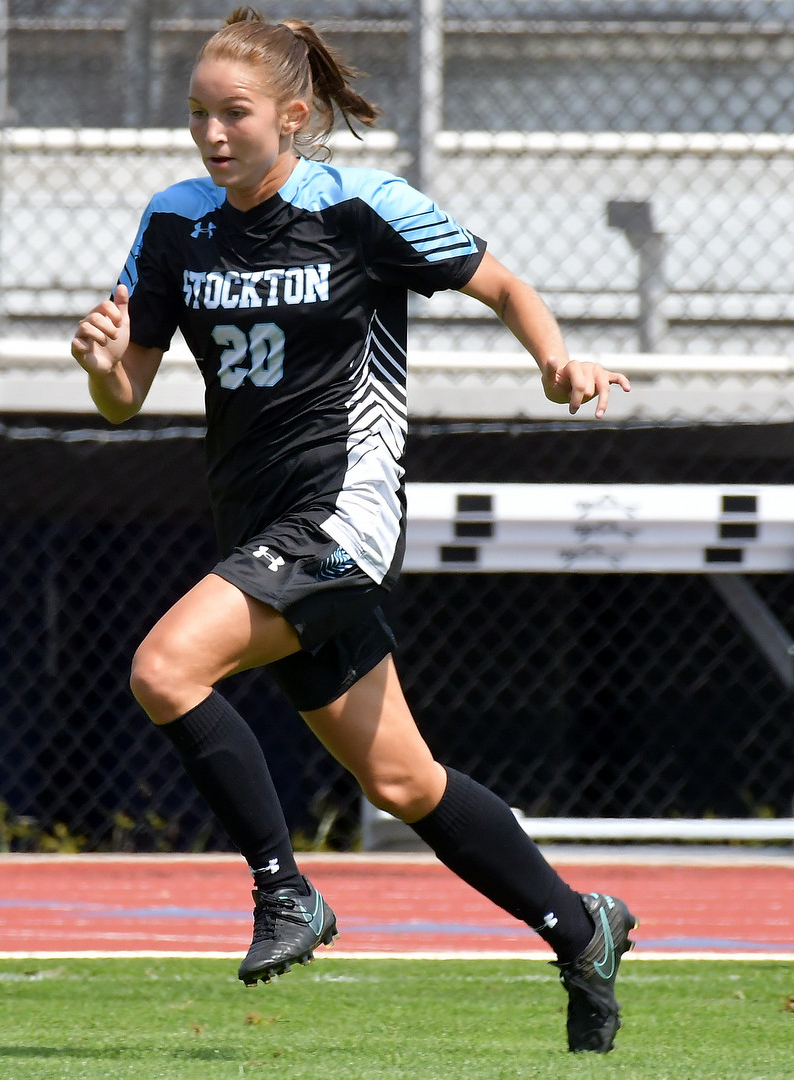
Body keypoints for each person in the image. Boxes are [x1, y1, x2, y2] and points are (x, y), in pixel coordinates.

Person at [68, 8, 640, 1054]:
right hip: (258, 528)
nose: (210, 135)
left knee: (163, 670)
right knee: (404, 782)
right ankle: (579, 924)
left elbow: (503, 282)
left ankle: (286, 890)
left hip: (343, 517)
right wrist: (101, 365)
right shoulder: (175, 222)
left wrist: (558, 362)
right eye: (197, 114)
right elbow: (127, 397)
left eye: (232, 114)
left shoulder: (357, 206)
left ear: (293, 116)